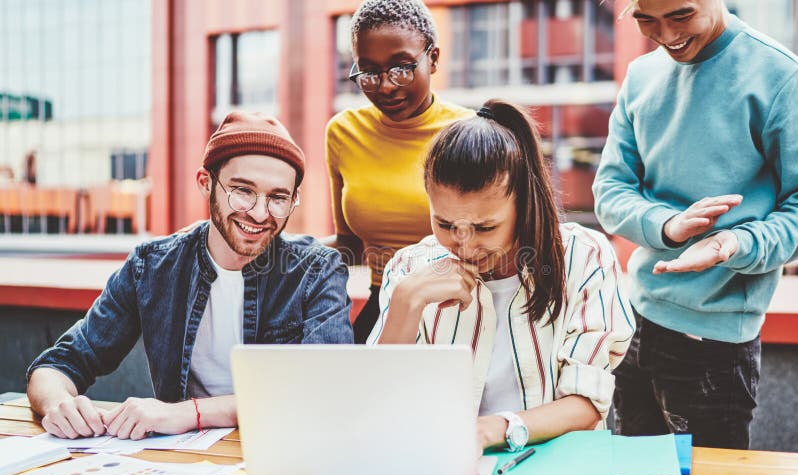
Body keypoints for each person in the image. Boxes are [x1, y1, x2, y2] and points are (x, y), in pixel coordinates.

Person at [27, 112, 353, 440]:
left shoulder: (317, 270)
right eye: (242, 191)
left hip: (282, 452)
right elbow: (58, 364)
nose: (259, 213)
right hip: (183, 462)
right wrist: (59, 405)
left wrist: (188, 412)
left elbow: (325, 390)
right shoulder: (152, 267)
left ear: (294, 199)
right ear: (205, 183)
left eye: (278, 197)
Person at [369, 99, 634, 451]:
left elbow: (585, 404)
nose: (463, 244)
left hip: (554, 470)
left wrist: (489, 430)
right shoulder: (409, 268)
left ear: (523, 204)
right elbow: (379, 406)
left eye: (485, 227)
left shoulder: (585, 257)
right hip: (445, 468)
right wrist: (406, 301)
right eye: (445, 224)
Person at [593, 0, 798, 449]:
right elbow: (610, 193)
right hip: (635, 322)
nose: (665, 35)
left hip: (716, 343)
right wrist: (669, 226)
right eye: (646, 19)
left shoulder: (781, 76)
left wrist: (735, 243)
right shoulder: (641, 76)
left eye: (681, 16)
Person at [326, 0, 473, 343]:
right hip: (382, 307)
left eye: (401, 68)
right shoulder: (343, 133)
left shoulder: (468, 131)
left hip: (460, 312)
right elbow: (349, 246)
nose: (386, 86)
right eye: (369, 72)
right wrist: (265, 249)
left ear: (433, 58)